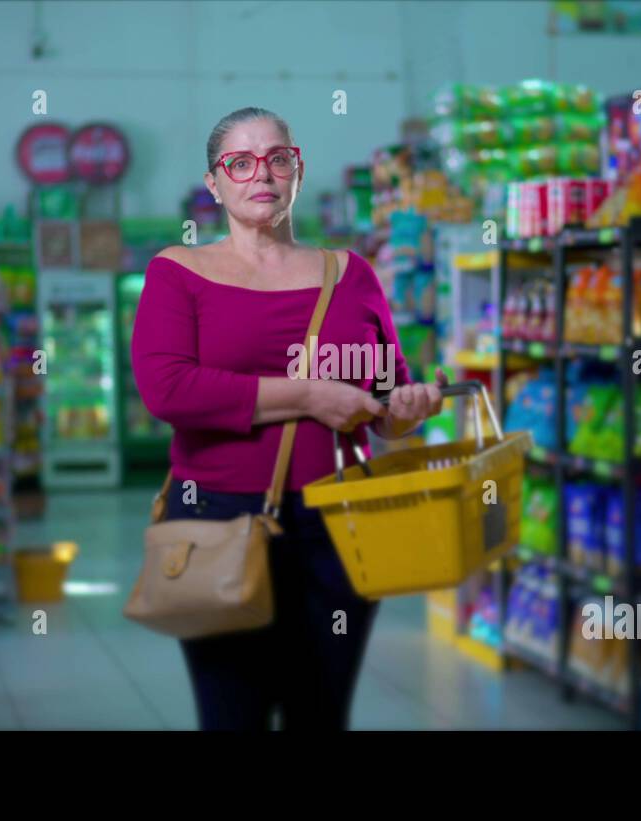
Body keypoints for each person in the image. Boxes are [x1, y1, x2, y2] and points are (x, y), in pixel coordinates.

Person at [130, 107, 446, 730]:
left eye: (278, 159)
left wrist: (408, 410)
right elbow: (169, 390)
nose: (262, 174)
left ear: (297, 171)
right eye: (240, 163)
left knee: (321, 712)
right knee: (233, 715)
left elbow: (386, 396)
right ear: (215, 183)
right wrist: (306, 397)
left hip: (342, 523)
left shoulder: (350, 275)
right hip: (219, 520)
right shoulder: (178, 272)